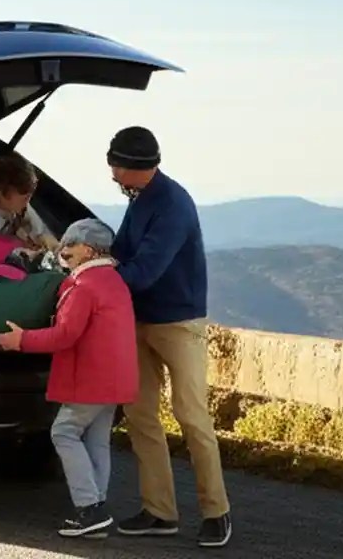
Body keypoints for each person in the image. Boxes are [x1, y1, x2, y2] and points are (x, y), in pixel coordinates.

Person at [106, 126, 232, 548]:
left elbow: (144, 271)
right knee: (140, 415)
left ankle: (217, 512)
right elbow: (122, 250)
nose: (112, 174)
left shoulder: (174, 204)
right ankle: (160, 512)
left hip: (178, 323)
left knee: (192, 417)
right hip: (138, 321)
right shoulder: (138, 200)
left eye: (117, 166)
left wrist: (96, 283)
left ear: (138, 168)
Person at [0, 218, 137, 539]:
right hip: (115, 381)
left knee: (64, 432)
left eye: (68, 246)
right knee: (97, 441)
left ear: (87, 250)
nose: (63, 252)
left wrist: (21, 340)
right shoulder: (114, 281)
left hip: (90, 379)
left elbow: (64, 335)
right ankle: (97, 509)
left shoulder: (83, 287)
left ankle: (89, 509)